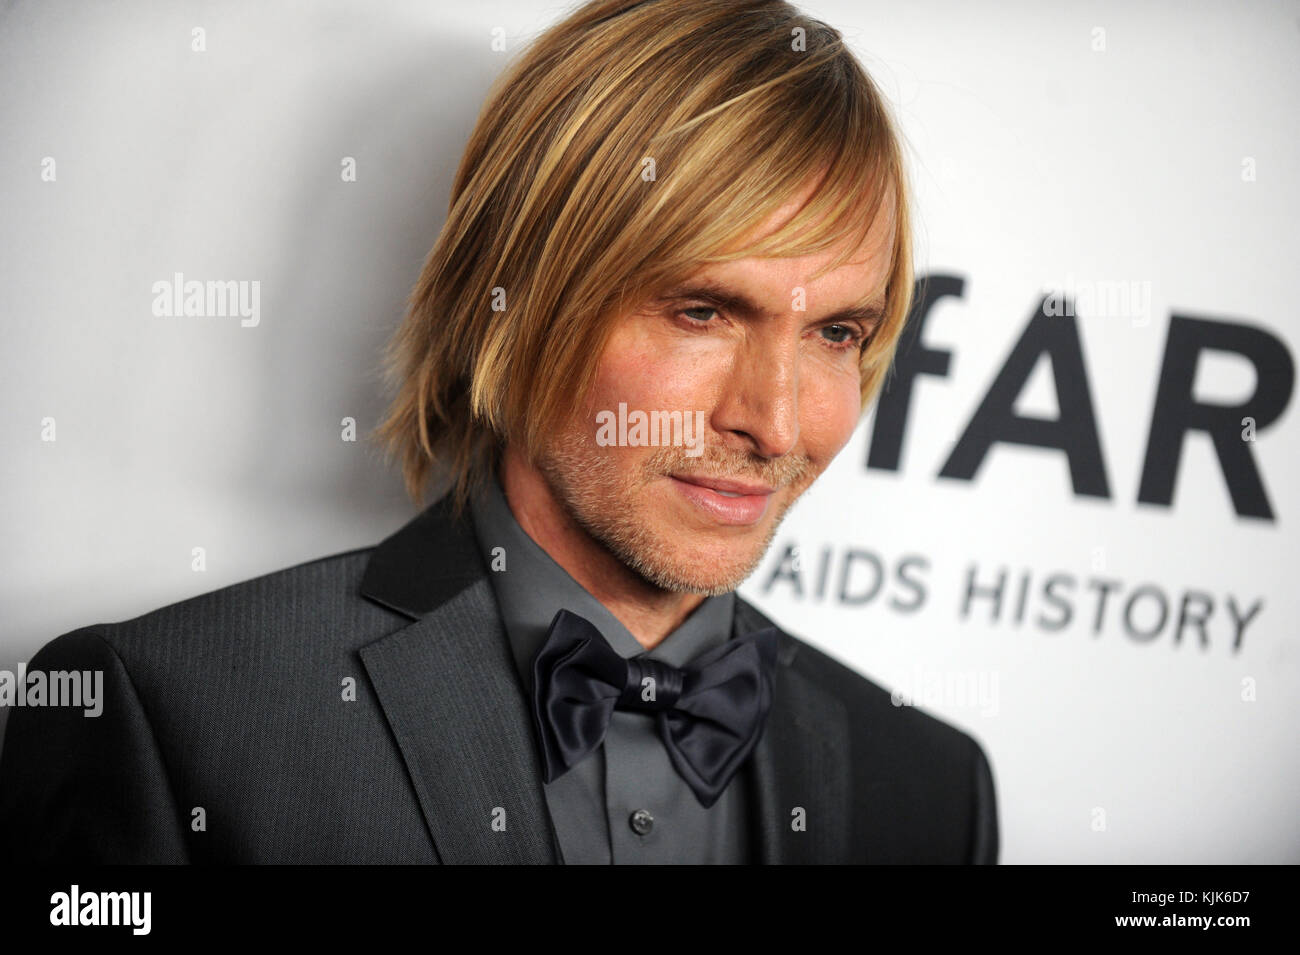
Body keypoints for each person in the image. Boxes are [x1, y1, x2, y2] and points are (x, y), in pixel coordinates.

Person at [0, 0, 998, 864]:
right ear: (511, 304)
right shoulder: (175, 718)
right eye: (701, 311)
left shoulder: (929, 790)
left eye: (835, 333)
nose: (775, 422)